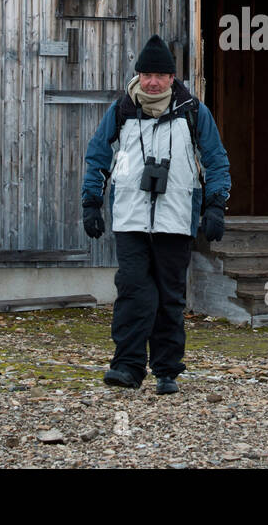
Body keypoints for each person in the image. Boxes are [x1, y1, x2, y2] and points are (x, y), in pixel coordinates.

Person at [81, 34, 231, 395]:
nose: (152, 82)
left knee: (170, 296)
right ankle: (127, 367)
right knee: (133, 290)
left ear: (171, 78)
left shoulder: (193, 111)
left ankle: (167, 370)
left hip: (176, 219)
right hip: (131, 218)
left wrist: (216, 206)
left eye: (159, 75)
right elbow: (98, 155)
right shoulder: (122, 110)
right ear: (138, 75)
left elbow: (216, 160)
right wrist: (91, 202)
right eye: (146, 74)